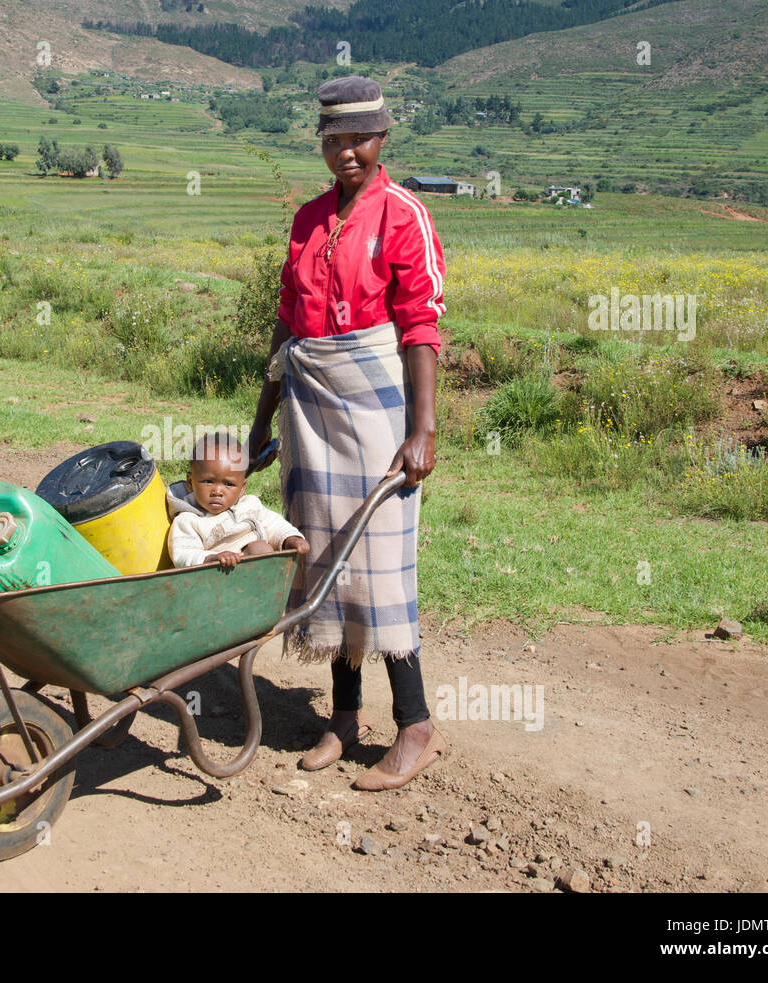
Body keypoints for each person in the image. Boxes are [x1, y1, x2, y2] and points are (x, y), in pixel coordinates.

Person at [247, 75, 447, 791]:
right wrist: (261, 420)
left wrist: (422, 429)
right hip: (308, 407)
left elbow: (421, 326)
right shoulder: (307, 218)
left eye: (359, 139)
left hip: (375, 412)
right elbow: (288, 322)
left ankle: (416, 723)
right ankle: (343, 716)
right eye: (334, 141)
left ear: (383, 137)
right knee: (324, 554)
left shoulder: (404, 214)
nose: (347, 153)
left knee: (379, 565)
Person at [167, 432, 310, 569]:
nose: (217, 491)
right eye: (208, 481)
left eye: (228, 484)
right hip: (213, 578)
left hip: (256, 574)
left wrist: (290, 539)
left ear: (242, 488)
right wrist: (211, 559)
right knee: (260, 549)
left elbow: (273, 524)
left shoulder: (250, 506)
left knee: (260, 549)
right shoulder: (188, 521)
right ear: (190, 483)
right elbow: (183, 554)